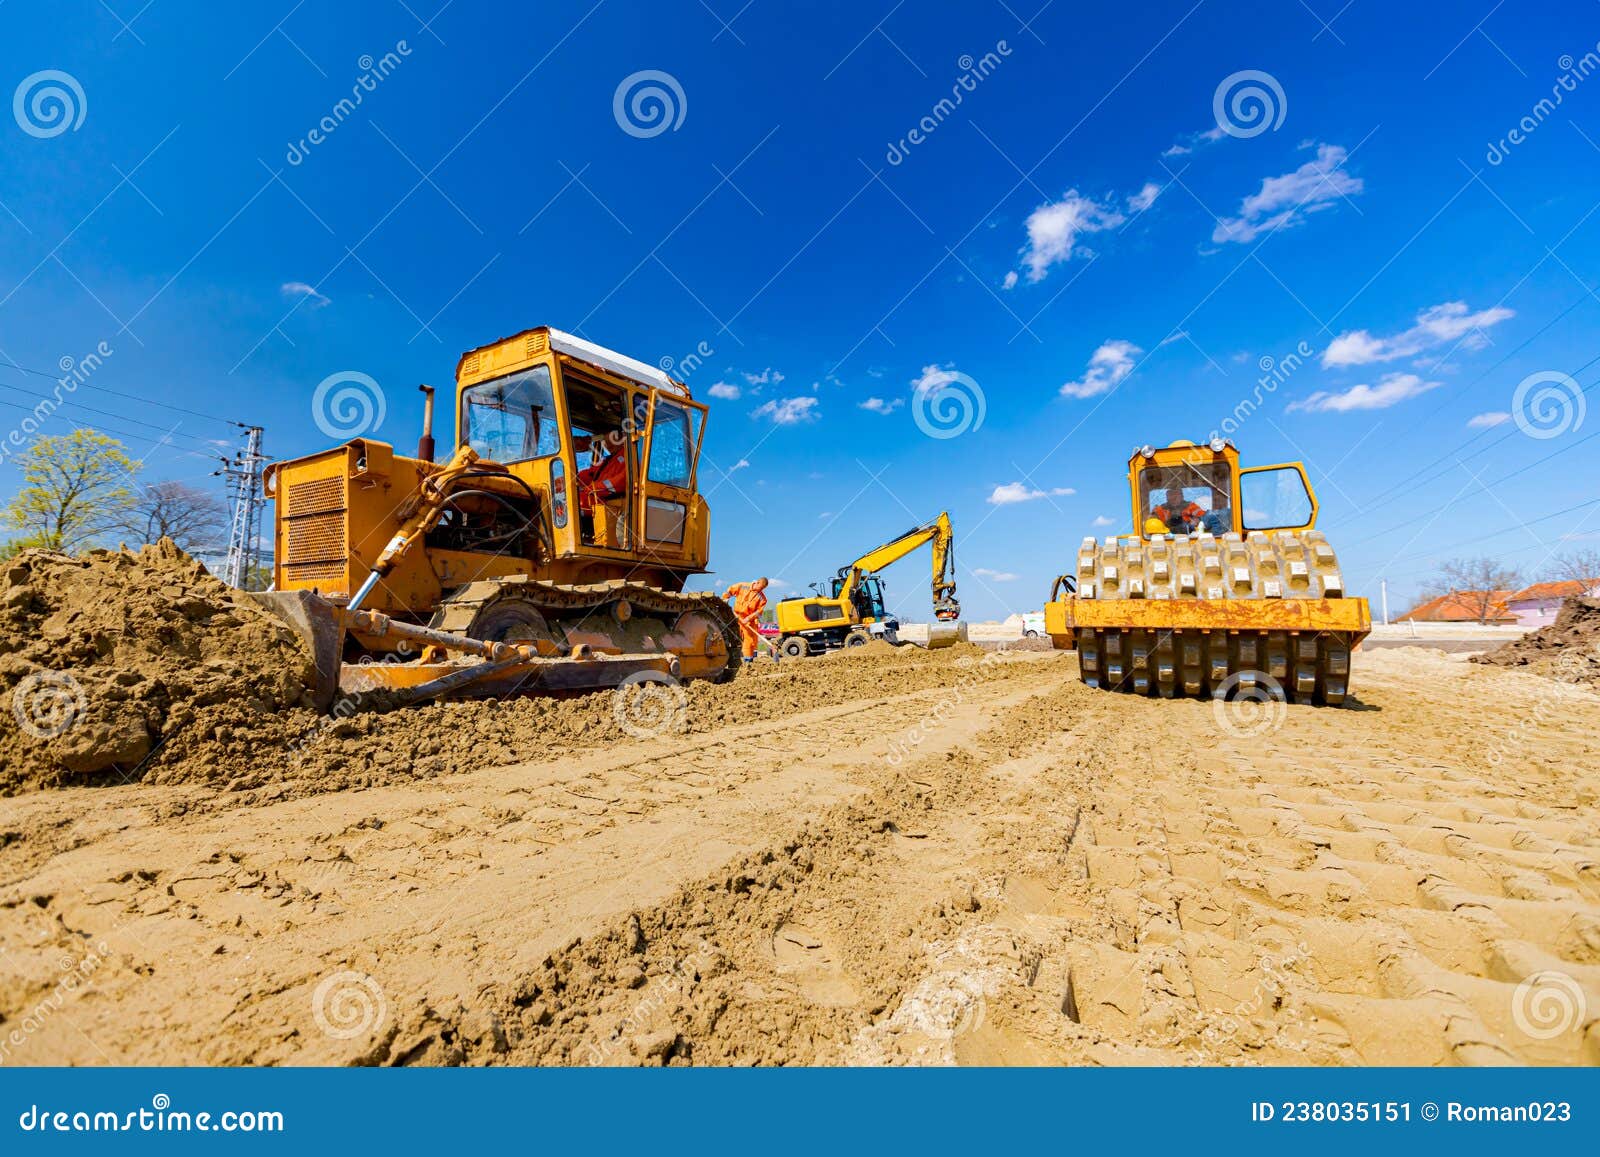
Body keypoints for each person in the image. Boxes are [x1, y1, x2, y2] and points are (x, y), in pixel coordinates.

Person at [721, 577, 772, 666]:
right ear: (757, 582)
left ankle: (748, 662)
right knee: (731, 637)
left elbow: (758, 612)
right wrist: (725, 598)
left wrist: (748, 619)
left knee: (749, 640)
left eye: (763, 588)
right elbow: (730, 590)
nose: (761, 589)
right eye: (761, 587)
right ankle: (729, 660)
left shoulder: (762, 598)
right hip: (735, 616)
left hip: (748, 620)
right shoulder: (743, 586)